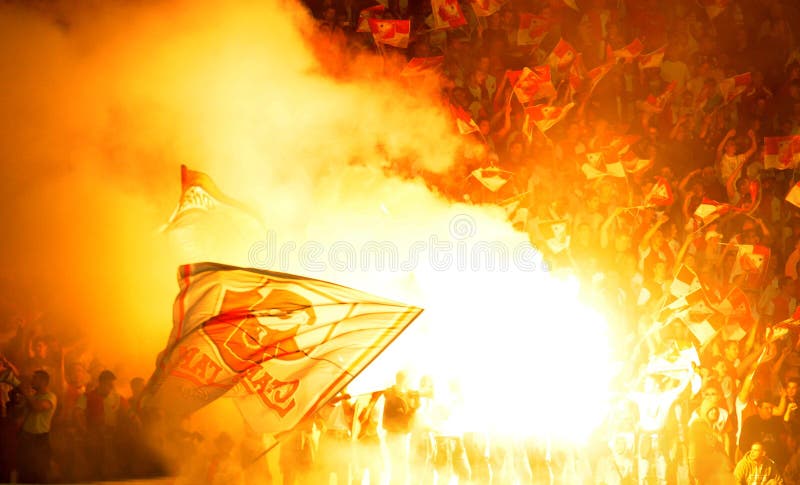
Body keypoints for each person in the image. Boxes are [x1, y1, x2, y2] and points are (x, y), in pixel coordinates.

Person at [18, 369, 57, 484]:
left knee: (40, 473)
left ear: (43, 382)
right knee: (25, 472)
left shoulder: (51, 396)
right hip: (26, 438)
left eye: (35, 378)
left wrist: (25, 393)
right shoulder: (33, 396)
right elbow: (20, 414)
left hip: (40, 440)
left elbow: (37, 407)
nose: (32, 381)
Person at [382, 370, 420, 485]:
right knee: (399, 465)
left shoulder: (400, 393)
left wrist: (416, 402)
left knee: (399, 465)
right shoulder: (392, 393)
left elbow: (409, 412)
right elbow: (404, 412)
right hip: (395, 433)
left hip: (399, 434)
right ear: (404, 380)